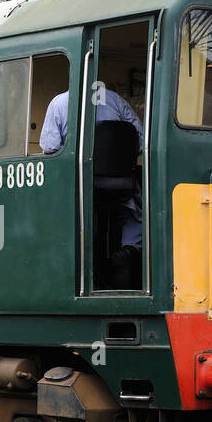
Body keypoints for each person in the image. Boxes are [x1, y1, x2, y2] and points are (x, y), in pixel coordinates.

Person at [40, 89, 143, 284]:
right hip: (120, 184)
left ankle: (80, 257)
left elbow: (50, 147)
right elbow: (140, 140)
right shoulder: (117, 100)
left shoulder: (59, 102)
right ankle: (129, 250)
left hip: (80, 184)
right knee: (135, 210)